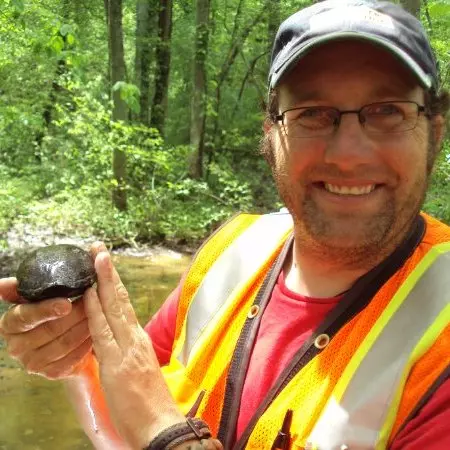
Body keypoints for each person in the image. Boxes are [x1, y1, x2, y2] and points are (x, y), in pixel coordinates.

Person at [1, 0, 449, 448]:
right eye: (312, 112)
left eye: (389, 110)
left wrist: (169, 437)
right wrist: (75, 358)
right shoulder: (233, 250)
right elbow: (126, 425)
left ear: (435, 131)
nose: (348, 153)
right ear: (271, 133)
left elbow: (152, 424)